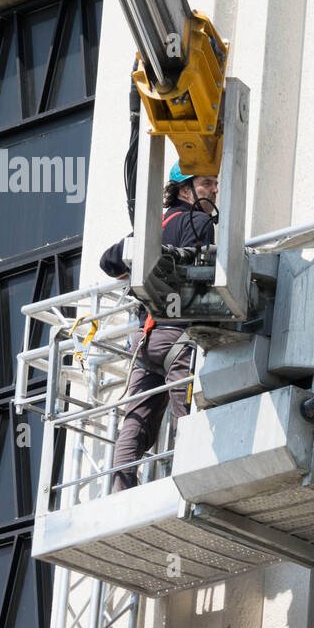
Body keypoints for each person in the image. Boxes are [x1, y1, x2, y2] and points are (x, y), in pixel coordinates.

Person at [99, 161, 219, 491]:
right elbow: (201, 270)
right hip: (177, 335)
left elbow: (108, 260)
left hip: (145, 340)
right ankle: (188, 483)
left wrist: (139, 264)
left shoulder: (151, 227)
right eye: (207, 183)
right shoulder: (199, 221)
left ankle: (119, 492)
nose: (214, 190)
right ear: (185, 190)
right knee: (186, 414)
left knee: (134, 420)